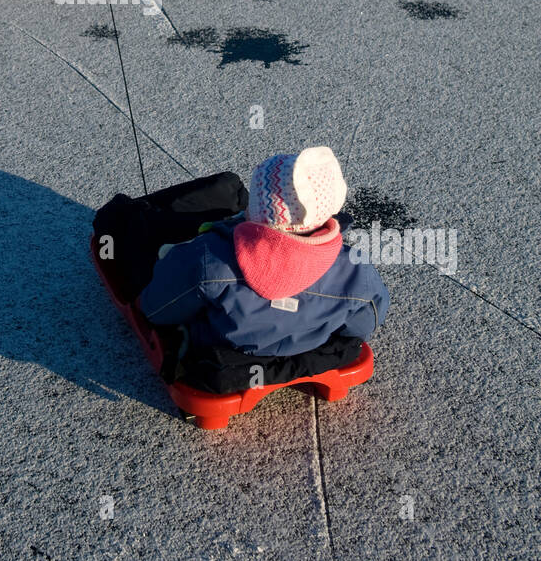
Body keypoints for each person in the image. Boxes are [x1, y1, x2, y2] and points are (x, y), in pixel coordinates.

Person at [94, 148, 389, 394]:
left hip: (223, 348)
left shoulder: (211, 261)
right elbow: (363, 326)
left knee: (142, 242)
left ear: (256, 213)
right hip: (310, 344)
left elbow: (156, 309)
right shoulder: (358, 274)